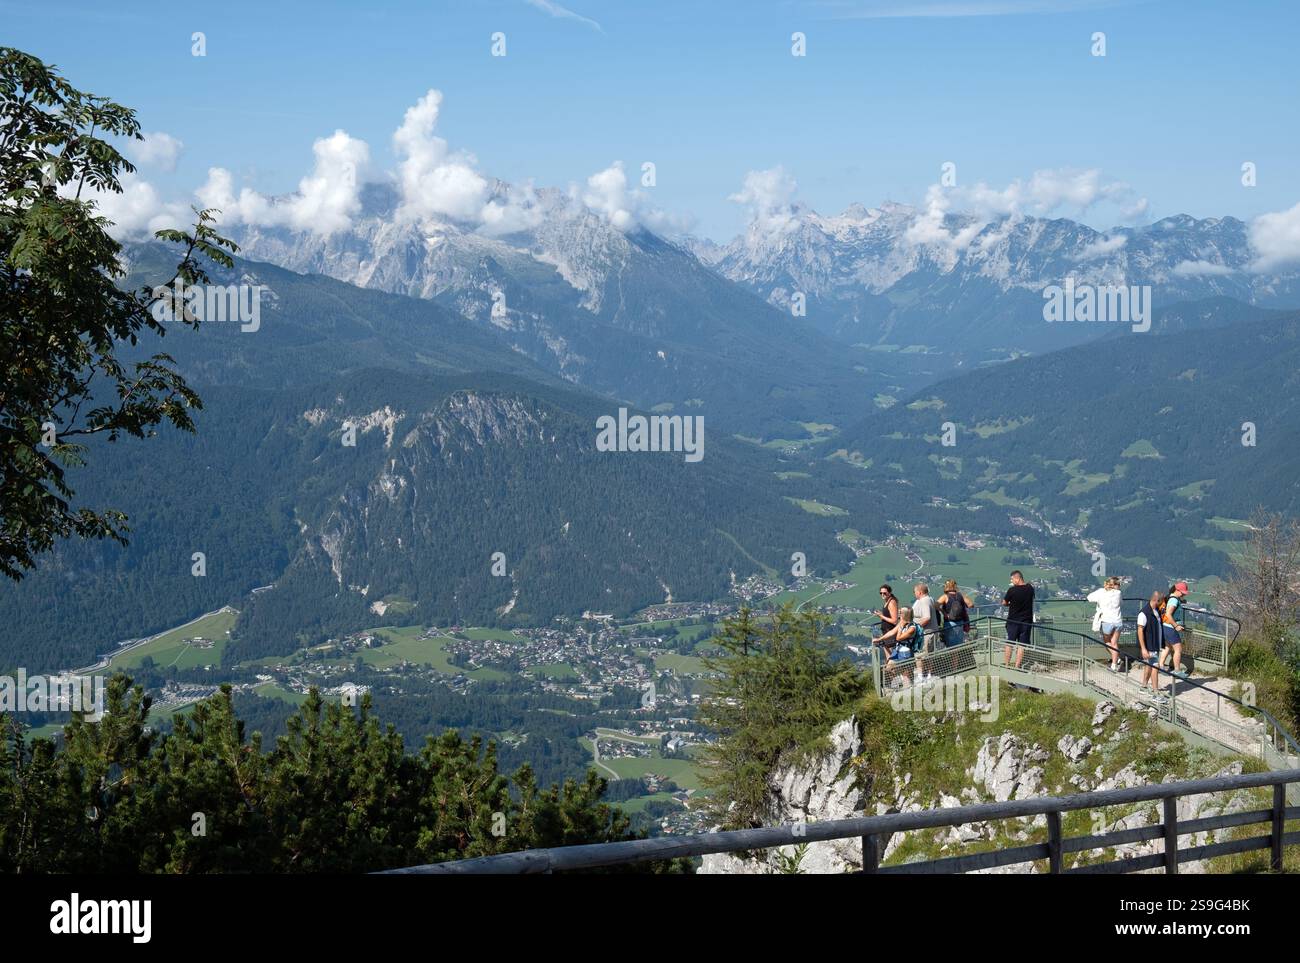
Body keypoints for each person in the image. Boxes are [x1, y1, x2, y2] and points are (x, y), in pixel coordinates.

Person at [875, 606, 921, 688]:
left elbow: (898, 638)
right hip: (898, 650)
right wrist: (880, 639)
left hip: (906, 652)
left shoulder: (912, 628)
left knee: (905, 672)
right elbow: (892, 632)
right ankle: (888, 687)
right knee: (889, 669)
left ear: (905, 615)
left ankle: (908, 688)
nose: (899, 614)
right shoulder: (901, 624)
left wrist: (900, 628)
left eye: (900, 613)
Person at [1087, 575, 1125, 672]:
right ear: (1116, 585)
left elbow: (1089, 598)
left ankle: (1116, 660)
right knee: (1115, 643)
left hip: (1107, 621)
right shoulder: (1119, 593)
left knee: (1107, 642)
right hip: (1118, 621)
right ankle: (1115, 663)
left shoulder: (1101, 592)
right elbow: (1121, 603)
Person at [1002, 570, 1035, 668]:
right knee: (1022, 645)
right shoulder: (1030, 589)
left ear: (1017, 578)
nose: (1011, 581)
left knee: (1010, 643)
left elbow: (1004, 602)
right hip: (1026, 622)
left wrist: (1009, 604)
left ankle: (1007, 665)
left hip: (1013, 621)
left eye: (1012, 579)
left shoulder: (1012, 590)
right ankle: (1017, 666)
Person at [1137, 590, 1165, 698]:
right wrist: (1144, 649)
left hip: (1155, 645)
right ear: (1157, 600)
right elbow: (1140, 630)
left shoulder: (1156, 611)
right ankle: (1155, 691)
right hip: (1150, 645)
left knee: (1149, 666)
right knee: (1155, 667)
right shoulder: (1144, 613)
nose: (1162, 603)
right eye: (1161, 601)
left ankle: (1144, 686)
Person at [1159, 581, 1190, 678]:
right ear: (1177, 590)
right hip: (1171, 628)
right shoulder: (1174, 600)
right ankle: (1177, 671)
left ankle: (1160, 666)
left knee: (1167, 647)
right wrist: (1176, 626)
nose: (1183, 594)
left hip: (1165, 626)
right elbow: (1168, 614)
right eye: (1182, 592)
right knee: (1178, 649)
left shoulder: (1169, 598)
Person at [911, 583, 937, 684]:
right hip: (931, 632)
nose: (914, 594)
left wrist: (915, 628)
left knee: (920, 655)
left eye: (915, 592)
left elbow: (927, 617)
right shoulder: (930, 599)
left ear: (919, 592)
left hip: (925, 633)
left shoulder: (924, 601)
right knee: (929, 655)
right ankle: (929, 675)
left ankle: (921, 676)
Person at [937, 579, 970, 650]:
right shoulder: (960, 595)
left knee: (950, 646)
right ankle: (955, 661)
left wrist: (943, 612)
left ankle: (951, 661)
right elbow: (971, 604)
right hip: (960, 623)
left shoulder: (945, 596)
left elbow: (935, 605)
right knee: (957, 646)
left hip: (949, 623)